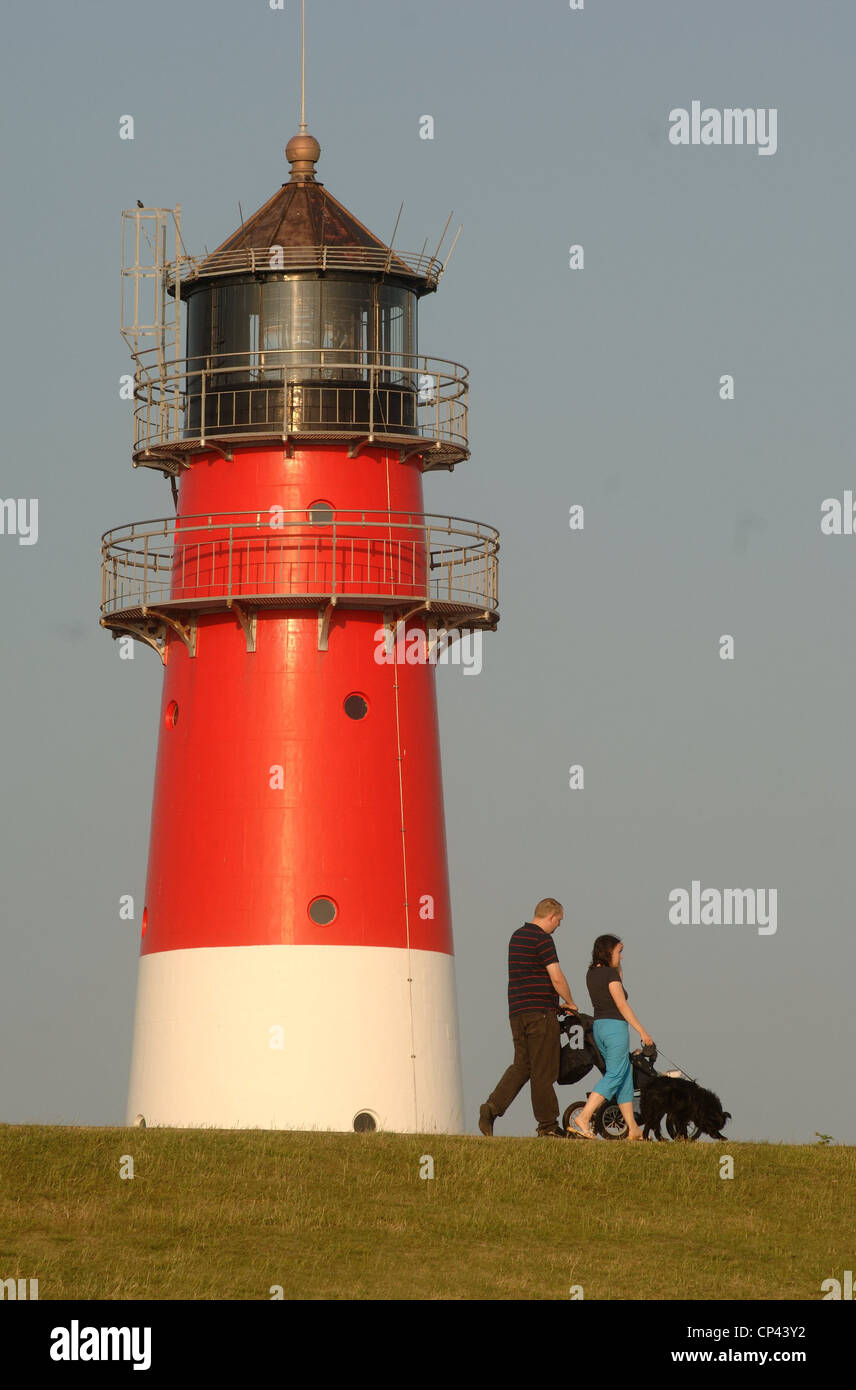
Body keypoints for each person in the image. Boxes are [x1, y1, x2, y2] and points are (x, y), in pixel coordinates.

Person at [479, 898, 578, 1138]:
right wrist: (571, 1002)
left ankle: (491, 1107)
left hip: (517, 1012)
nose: (558, 926)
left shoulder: (517, 936)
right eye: (559, 921)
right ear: (552, 916)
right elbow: (556, 977)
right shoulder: (543, 939)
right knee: (544, 1071)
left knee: (522, 1066)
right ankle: (547, 1126)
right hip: (541, 1013)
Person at [568, 934, 653, 1141]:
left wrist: (616, 963)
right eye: (619, 951)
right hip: (615, 1028)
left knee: (624, 1077)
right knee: (615, 1074)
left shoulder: (592, 974)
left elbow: (617, 980)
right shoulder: (609, 975)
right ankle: (584, 1117)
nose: (621, 956)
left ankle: (633, 1129)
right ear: (608, 952)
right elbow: (622, 1004)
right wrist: (642, 1032)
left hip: (599, 1028)